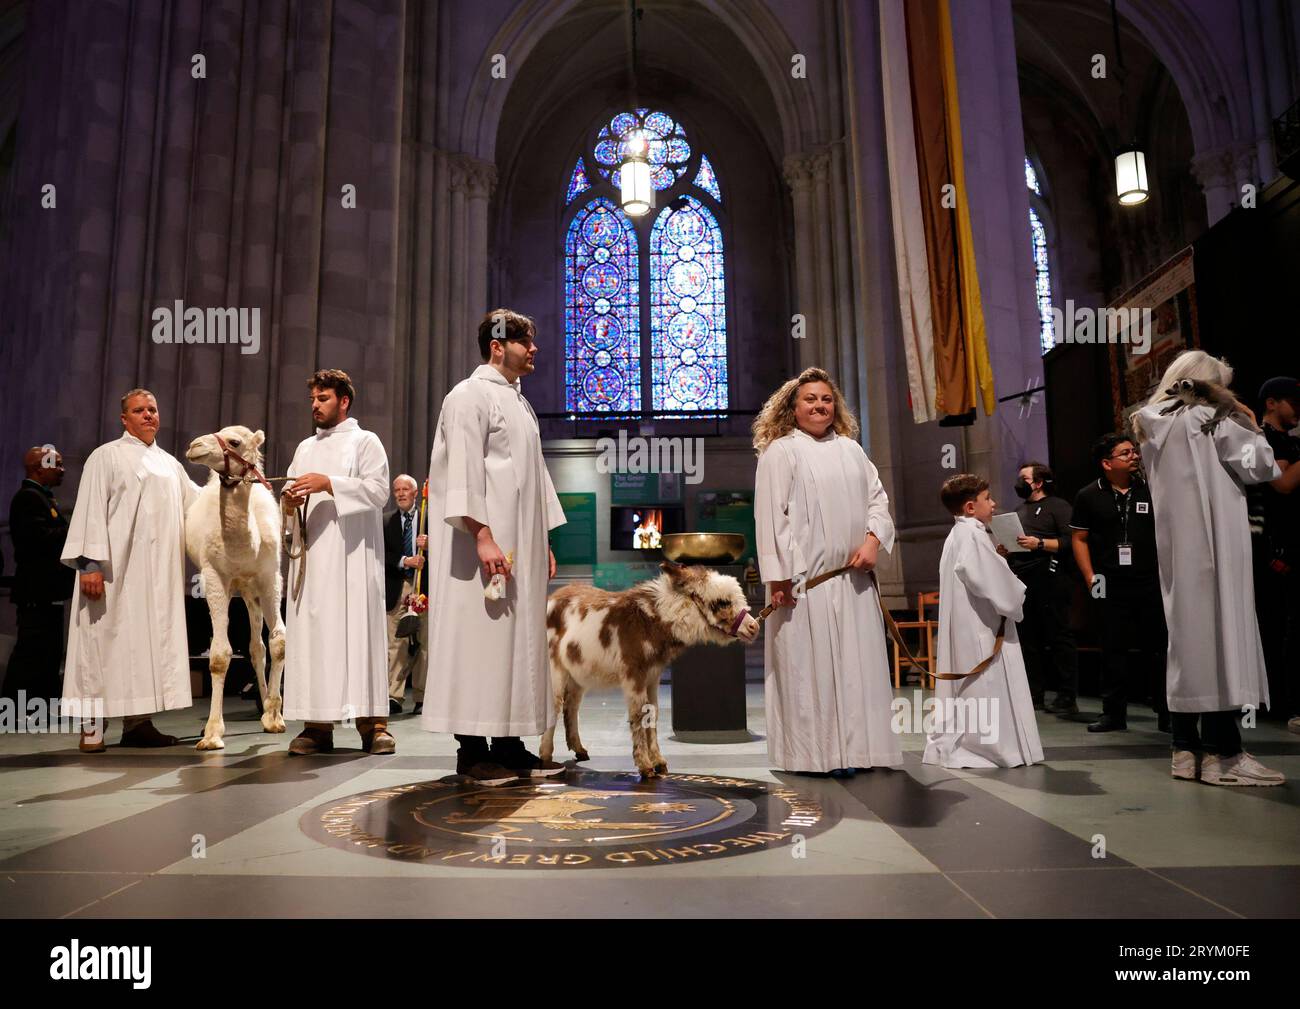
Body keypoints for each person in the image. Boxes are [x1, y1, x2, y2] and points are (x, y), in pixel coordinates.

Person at [422, 309, 567, 785]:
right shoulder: (468, 396)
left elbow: (536, 476)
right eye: (527, 341)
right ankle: (471, 750)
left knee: (515, 644)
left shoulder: (519, 404)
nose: (535, 349)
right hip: (479, 547)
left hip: (518, 547)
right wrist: (482, 535)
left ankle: (508, 745)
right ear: (498, 346)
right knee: (478, 642)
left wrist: (540, 538)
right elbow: (462, 471)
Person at [1133, 349, 1284, 785]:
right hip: (1218, 547)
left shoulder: (1150, 425)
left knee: (1186, 642)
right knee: (1222, 639)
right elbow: (1262, 467)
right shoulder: (1214, 419)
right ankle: (1225, 756)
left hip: (1178, 553)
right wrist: (1253, 425)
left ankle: (1185, 751)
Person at [753, 366, 901, 776]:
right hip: (805, 586)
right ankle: (815, 756)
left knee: (859, 671)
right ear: (792, 408)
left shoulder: (853, 451)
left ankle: (859, 751)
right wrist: (779, 577)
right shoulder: (781, 451)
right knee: (810, 672)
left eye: (826, 399)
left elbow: (878, 502)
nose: (820, 406)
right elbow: (771, 519)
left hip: (853, 582)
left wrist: (872, 541)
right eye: (810, 399)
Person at [61, 390, 201, 752]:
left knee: (143, 649)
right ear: (124, 419)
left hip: (155, 579)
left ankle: (138, 723)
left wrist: (239, 487)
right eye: (139, 411)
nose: (148, 415)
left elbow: (198, 507)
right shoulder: (106, 456)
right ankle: (93, 726)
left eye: (153, 409)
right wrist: (89, 564)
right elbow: (90, 510)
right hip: (111, 573)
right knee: (101, 645)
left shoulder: (171, 465)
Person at [282, 369, 394, 755]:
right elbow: (291, 493)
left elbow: (380, 492)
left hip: (353, 558)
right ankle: (317, 726)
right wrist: (289, 501)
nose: (315, 405)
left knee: (359, 634)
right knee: (316, 638)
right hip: (314, 561)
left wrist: (329, 483)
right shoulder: (304, 448)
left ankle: (373, 725)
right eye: (313, 398)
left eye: (323, 398)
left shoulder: (366, 442)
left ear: (344, 401)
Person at [923, 475, 1043, 768]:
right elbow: (992, 583)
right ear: (969, 507)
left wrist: (996, 559)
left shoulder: (960, 534)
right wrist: (1016, 595)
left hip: (971, 624)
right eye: (987, 498)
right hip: (982, 627)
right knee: (985, 686)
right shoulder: (973, 535)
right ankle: (988, 748)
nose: (994, 503)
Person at [1069, 433, 1168, 733]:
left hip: (1150, 580)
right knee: (1113, 649)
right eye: (1125, 453)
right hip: (1108, 581)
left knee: (1159, 647)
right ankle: (1113, 713)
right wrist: (1090, 578)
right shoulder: (1088, 495)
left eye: (1134, 452)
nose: (1134, 457)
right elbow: (1079, 538)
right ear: (1106, 463)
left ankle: (1168, 712)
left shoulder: (1151, 490)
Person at [1248, 376, 1300, 734]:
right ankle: (1289, 705)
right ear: (1271, 403)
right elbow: (1281, 484)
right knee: (1287, 627)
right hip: (1278, 547)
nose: (1298, 410)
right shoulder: (1265, 439)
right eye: (1293, 402)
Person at [3, 446, 75, 703]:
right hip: (36, 590)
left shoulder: (43, 497)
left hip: (49, 591)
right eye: (56, 464)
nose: (62, 470)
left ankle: (43, 703)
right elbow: (38, 540)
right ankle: (12, 707)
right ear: (38, 468)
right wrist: (75, 528)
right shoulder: (28, 498)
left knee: (49, 651)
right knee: (30, 651)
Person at [1006, 461, 1079, 717]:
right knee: (1029, 639)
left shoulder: (1058, 507)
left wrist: (1039, 544)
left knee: (1059, 636)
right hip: (1024, 579)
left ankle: (1066, 695)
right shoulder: (1019, 510)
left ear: (1038, 483)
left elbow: (1072, 541)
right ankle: (1034, 694)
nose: (1019, 482)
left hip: (1051, 576)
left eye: (1024, 478)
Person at [384, 474, 428, 715]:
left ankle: (422, 697)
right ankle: (394, 696)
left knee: (425, 643)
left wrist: (431, 545)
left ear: (414, 493)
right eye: (396, 490)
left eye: (405, 489)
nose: (400, 493)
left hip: (424, 589)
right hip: (398, 587)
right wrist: (405, 560)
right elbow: (382, 555)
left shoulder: (428, 520)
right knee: (396, 643)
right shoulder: (386, 521)